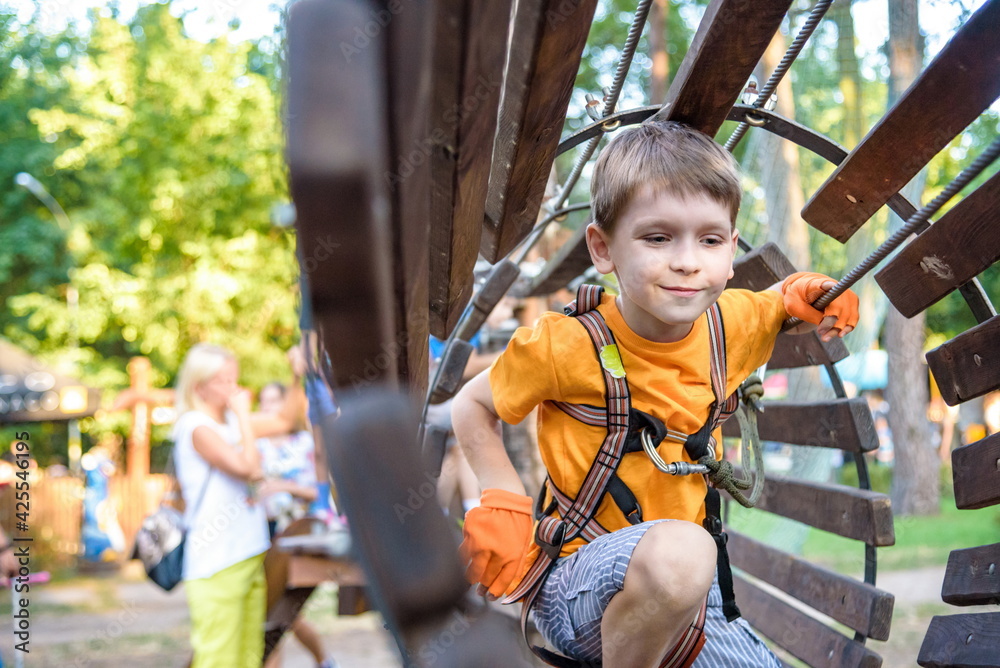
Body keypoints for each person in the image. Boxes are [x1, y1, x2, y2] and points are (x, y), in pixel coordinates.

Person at [452, 121, 859, 666]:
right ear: (603, 248)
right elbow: (471, 403)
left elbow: (779, 304)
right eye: (657, 237)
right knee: (685, 553)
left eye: (710, 240)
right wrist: (500, 493)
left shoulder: (730, 324)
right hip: (577, 583)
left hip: (689, 599)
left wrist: (808, 292)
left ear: (732, 249)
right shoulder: (564, 344)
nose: (687, 261)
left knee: (689, 563)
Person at [172, 343, 305, 668]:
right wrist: (244, 415)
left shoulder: (230, 422)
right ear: (198, 386)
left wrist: (297, 375)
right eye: (223, 381)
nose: (233, 388)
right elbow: (250, 468)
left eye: (234, 378)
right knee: (219, 658)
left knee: (248, 656)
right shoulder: (195, 427)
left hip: (248, 552)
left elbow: (286, 421)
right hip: (217, 560)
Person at [256, 381, 338, 668]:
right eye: (263, 403)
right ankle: (324, 661)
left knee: (278, 613)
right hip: (261, 533)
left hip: (296, 532)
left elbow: (320, 490)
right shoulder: (257, 445)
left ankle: (323, 659)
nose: (268, 409)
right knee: (272, 614)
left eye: (274, 402)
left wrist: (284, 486)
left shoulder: (304, 444)